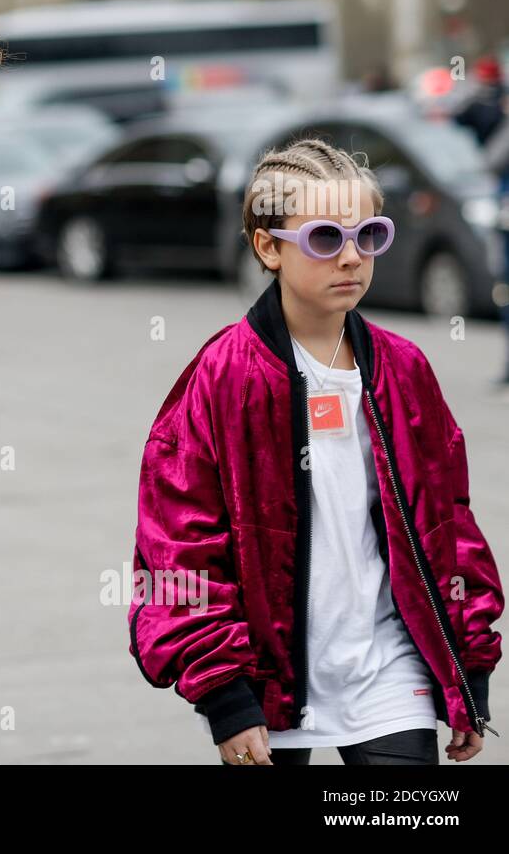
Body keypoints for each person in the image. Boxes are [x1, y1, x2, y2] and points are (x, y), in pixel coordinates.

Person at [128, 138, 504, 765]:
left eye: (370, 236)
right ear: (269, 247)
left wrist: (469, 670)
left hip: (392, 669)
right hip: (269, 686)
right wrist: (225, 694)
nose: (352, 258)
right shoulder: (223, 378)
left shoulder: (404, 369)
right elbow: (177, 544)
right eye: (326, 239)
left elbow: (451, 526)